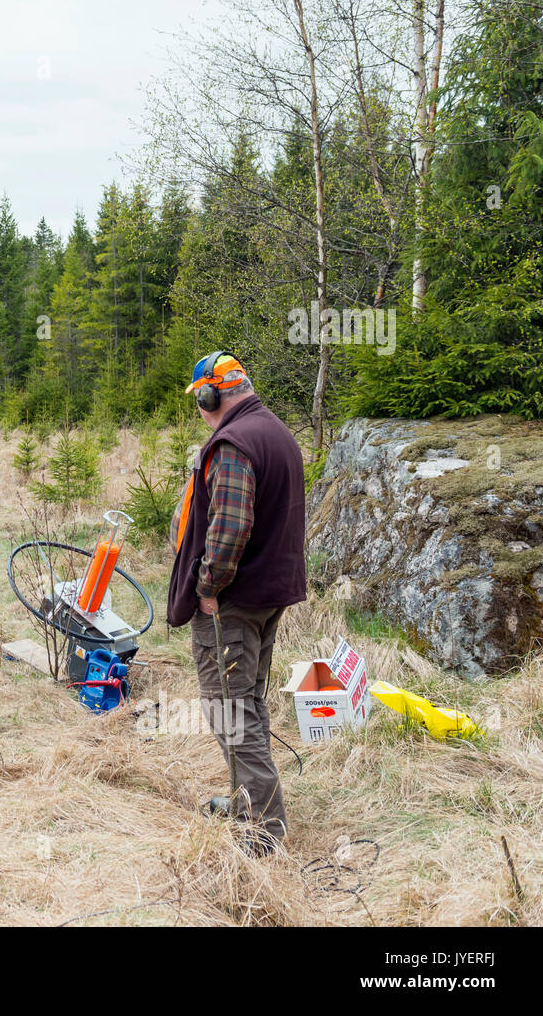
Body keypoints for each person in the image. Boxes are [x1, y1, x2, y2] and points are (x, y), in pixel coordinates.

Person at [168, 351, 306, 854]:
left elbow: (229, 530)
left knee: (230, 712)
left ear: (211, 394)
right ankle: (247, 801)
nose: (200, 410)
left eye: (199, 401)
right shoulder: (276, 432)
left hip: (234, 602)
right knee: (245, 702)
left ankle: (263, 834)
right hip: (268, 595)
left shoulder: (233, 443)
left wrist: (207, 588)